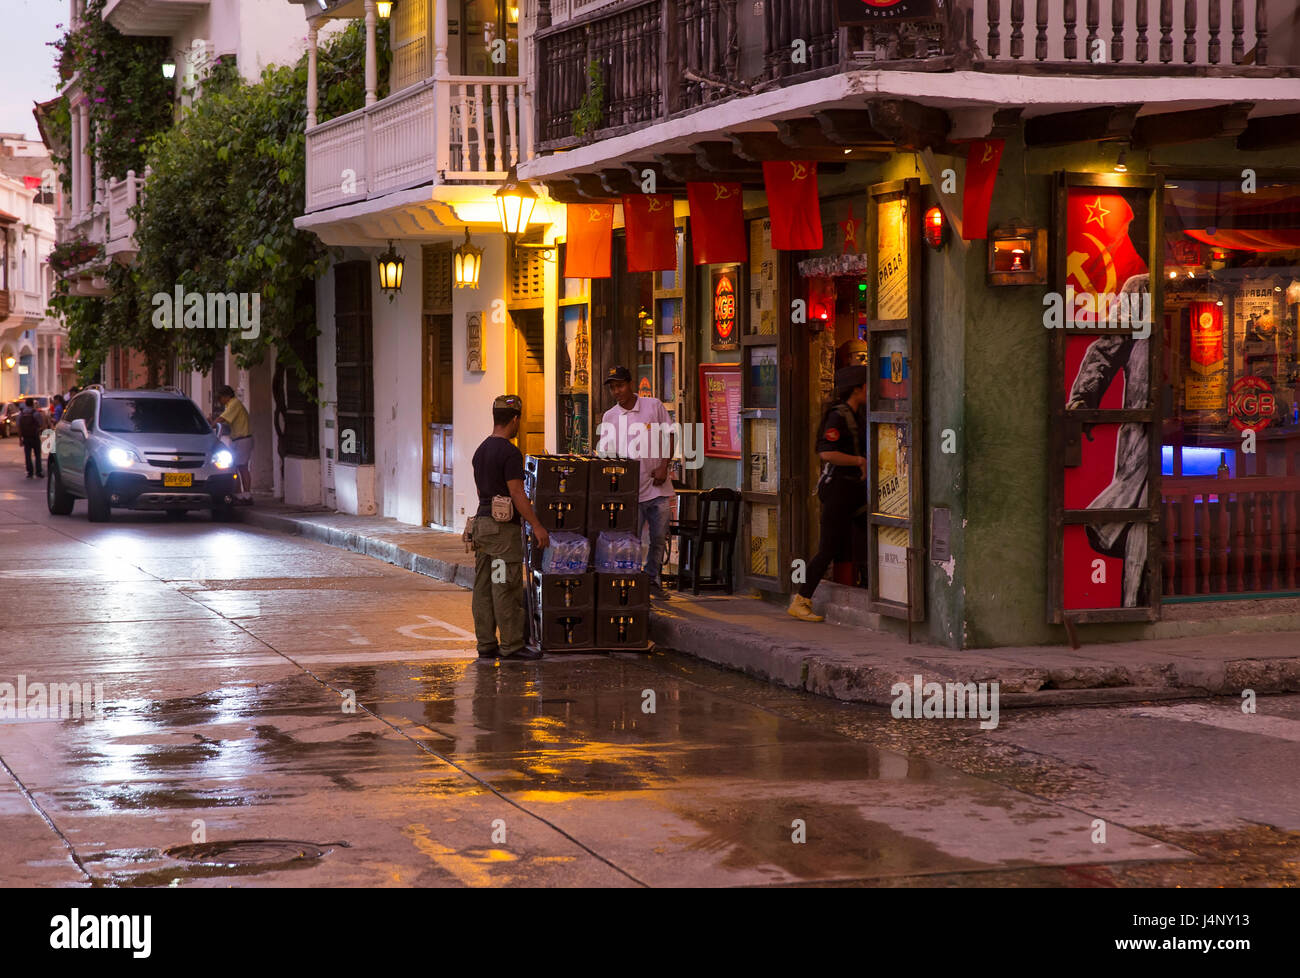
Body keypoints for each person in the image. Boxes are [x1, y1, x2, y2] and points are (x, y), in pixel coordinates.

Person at [470, 395, 550, 660]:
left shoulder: (480, 450)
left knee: (483, 586)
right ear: (515, 420)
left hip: (481, 525)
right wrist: (536, 525)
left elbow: (481, 491)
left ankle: (486, 644)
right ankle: (512, 645)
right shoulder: (510, 452)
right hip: (502, 531)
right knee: (503, 585)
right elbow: (516, 492)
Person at [788, 365, 869, 622]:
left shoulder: (861, 413)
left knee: (869, 537)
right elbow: (827, 452)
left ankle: (869, 590)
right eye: (867, 385)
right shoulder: (838, 416)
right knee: (829, 547)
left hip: (856, 490)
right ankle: (801, 599)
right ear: (857, 388)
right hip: (839, 489)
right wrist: (859, 461)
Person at [600, 365, 674, 600]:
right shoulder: (610, 417)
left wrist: (664, 465)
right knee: (630, 541)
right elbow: (606, 454)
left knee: (658, 538)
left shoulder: (653, 406)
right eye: (612, 388)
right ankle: (632, 585)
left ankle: (653, 579)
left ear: (631, 384)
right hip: (629, 492)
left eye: (620, 385)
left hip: (657, 488)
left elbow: (670, 434)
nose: (616, 391)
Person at [209, 385, 253, 501]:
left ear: (227, 396)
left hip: (242, 439)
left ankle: (246, 493)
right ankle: (238, 493)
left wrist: (209, 426)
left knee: (242, 466)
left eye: (221, 398)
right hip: (236, 439)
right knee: (234, 466)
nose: (220, 401)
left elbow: (222, 419)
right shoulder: (230, 405)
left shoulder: (234, 404)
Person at [17, 397, 50, 480]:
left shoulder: (21, 414)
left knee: (27, 455)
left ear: (25, 404)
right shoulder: (36, 413)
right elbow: (41, 425)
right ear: (32, 404)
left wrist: (20, 439)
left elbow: (19, 427)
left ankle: (30, 472)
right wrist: (39, 430)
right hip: (35, 437)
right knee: (37, 455)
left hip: (26, 438)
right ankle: (38, 472)